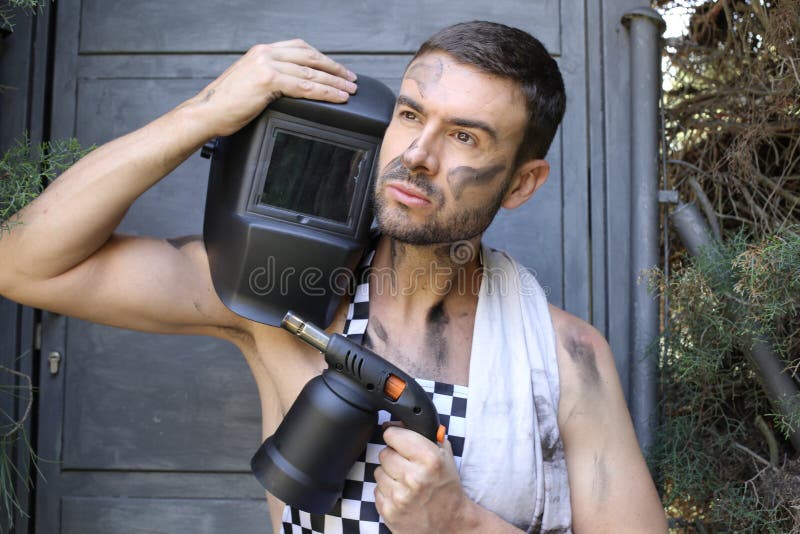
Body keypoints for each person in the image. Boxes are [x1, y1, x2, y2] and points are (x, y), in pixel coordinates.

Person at [0, 20, 666, 533]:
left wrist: (460, 521)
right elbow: (23, 262)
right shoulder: (279, 298)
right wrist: (205, 110)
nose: (417, 155)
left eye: (464, 136)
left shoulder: (567, 359)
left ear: (522, 183)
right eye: (409, 116)